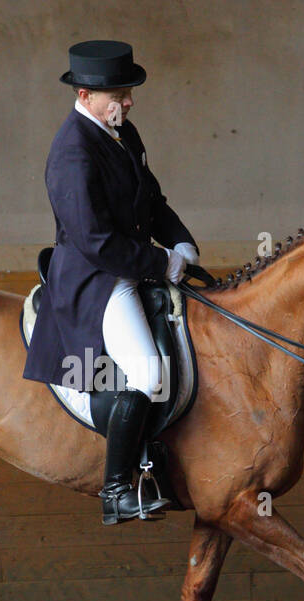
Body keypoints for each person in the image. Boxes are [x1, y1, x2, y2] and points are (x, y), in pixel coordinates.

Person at [22, 40, 200, 525]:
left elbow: (154, 201)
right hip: (98, 279)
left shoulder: (123, 133)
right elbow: (95, 240)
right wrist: (160, 263)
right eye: (119, 94)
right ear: (85, 95)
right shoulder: (72, 152)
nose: (128, 101)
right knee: (147, 373)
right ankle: (118, 490)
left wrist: (182, 245)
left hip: (134, 262)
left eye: (128, 92)